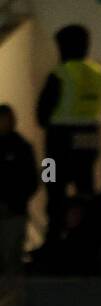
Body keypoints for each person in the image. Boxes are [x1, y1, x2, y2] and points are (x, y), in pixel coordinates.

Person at [36, 25, 101, 232]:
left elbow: (41, 114)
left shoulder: (60, 73)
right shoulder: (96, 72)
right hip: (90, 138)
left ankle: (55, 232)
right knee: (86, 187)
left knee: (52, 184)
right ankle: (88, 230)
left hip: (58, 140)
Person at [0, 104, 38, 274]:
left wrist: (15, 201)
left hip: (14, 211)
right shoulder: (22, 147)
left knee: (12, 258)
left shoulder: (21, 147)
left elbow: (31, 180)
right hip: (15, 210)